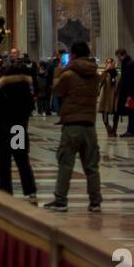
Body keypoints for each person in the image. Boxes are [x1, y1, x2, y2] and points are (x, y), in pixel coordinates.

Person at [44, 40, 102, 213]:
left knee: (65, 163)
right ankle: (95, 202)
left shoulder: (68, 75)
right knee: (92, 166)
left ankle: (61, 201)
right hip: (89, 124)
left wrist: (58, 72)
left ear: (74, 55)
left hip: (72, 125)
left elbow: (57, 91)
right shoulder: (96, 75)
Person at [0, 60, 37, 202]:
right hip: (18, 128)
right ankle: (30, 191)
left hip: (4, 127)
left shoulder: (3, 90)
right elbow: (30, 109)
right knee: (22, 161)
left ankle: (5, 191)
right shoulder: (26, 91)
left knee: (3, 162)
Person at [115, 48, 134, 137]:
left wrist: (129, 95)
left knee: (132, 112)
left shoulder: (129, 64)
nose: (118, 58)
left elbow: (129, 80)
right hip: (130, 92)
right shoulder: (128, 63)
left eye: (118, 56)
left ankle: (131, 131)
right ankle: (132, 130)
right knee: (132, 112)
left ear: (122, 54)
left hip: (130, 93)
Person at [98, 57, 118, 137]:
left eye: (110, 62)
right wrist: (106, 70)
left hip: (115, 96)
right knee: (104, 112)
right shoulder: (105, 73)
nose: (109, 64)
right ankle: (108, 128)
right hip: (106, 96)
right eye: (107, 62)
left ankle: (114, 129)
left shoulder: (117, 73)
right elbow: (99, 81)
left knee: (116, 112)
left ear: (114, 63)